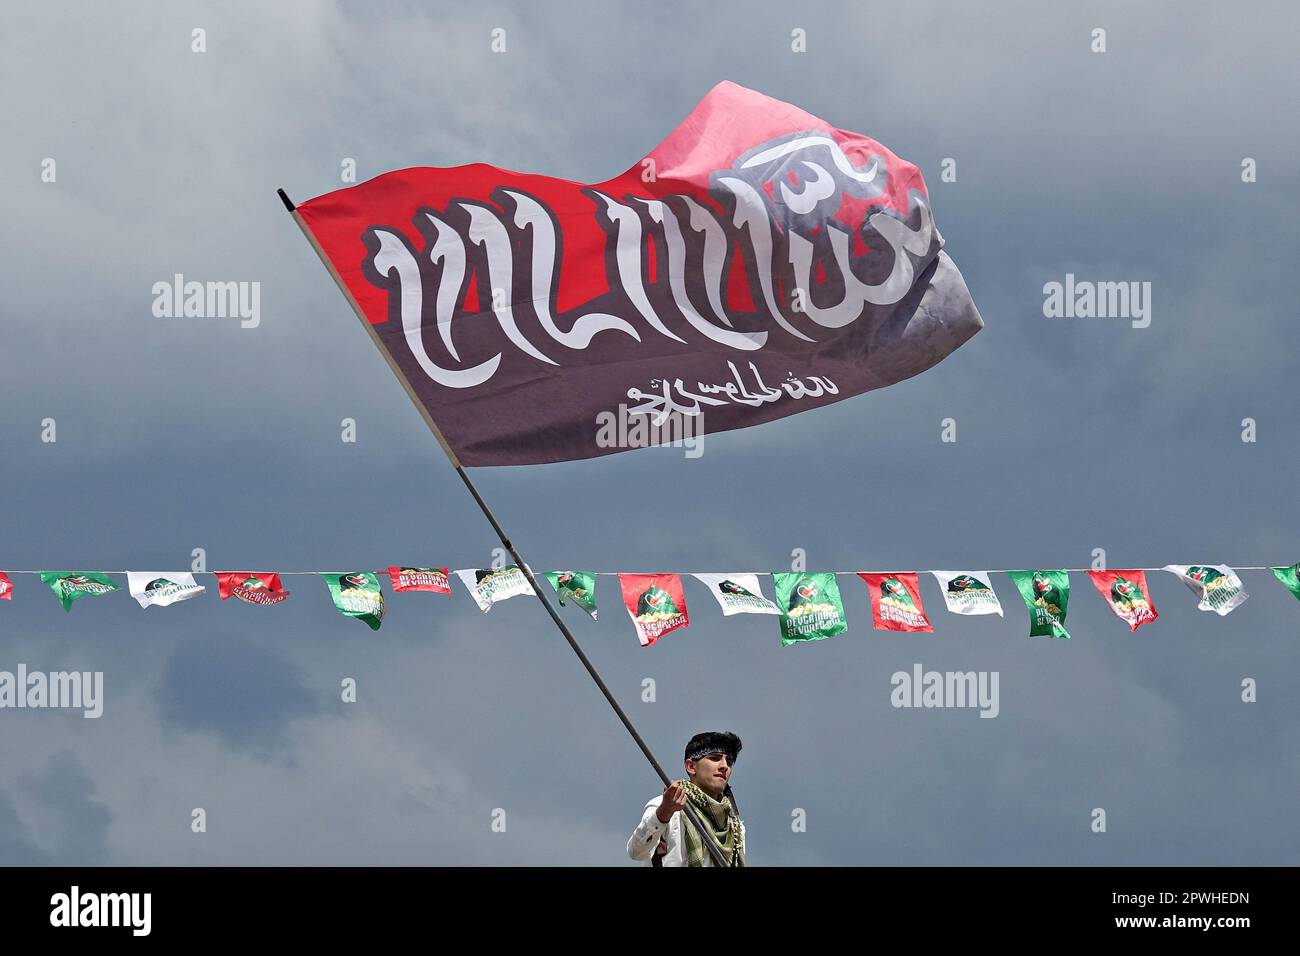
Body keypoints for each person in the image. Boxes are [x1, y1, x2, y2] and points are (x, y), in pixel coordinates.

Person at [627, 730, 746, 867]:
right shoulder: (667, 806)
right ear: (691, 766)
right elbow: (636, 851)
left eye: (729, 762)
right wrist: (665, 811)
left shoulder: (735, 827)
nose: (724, 766)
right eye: (715, 758)